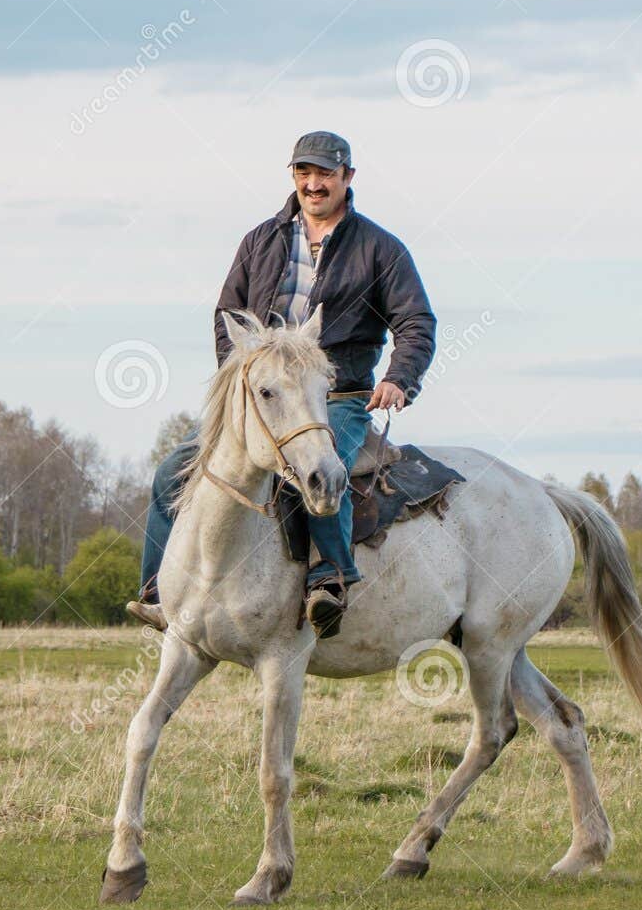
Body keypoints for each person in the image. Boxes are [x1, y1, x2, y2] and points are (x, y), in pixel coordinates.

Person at [129, 130, 436, 637]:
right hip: (263, 396)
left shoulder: (381, 248)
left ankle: (330, 576)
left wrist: (399, 378)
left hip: (334, 394)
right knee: (172, 471)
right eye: (304, 173)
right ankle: (159, 592)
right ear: (293, 176)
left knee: (321, 466)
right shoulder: (261, 239)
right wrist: (241, 386)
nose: (313, 184)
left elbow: (416, 322)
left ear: (347, 178)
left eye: (325, 174)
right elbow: (229, 313)